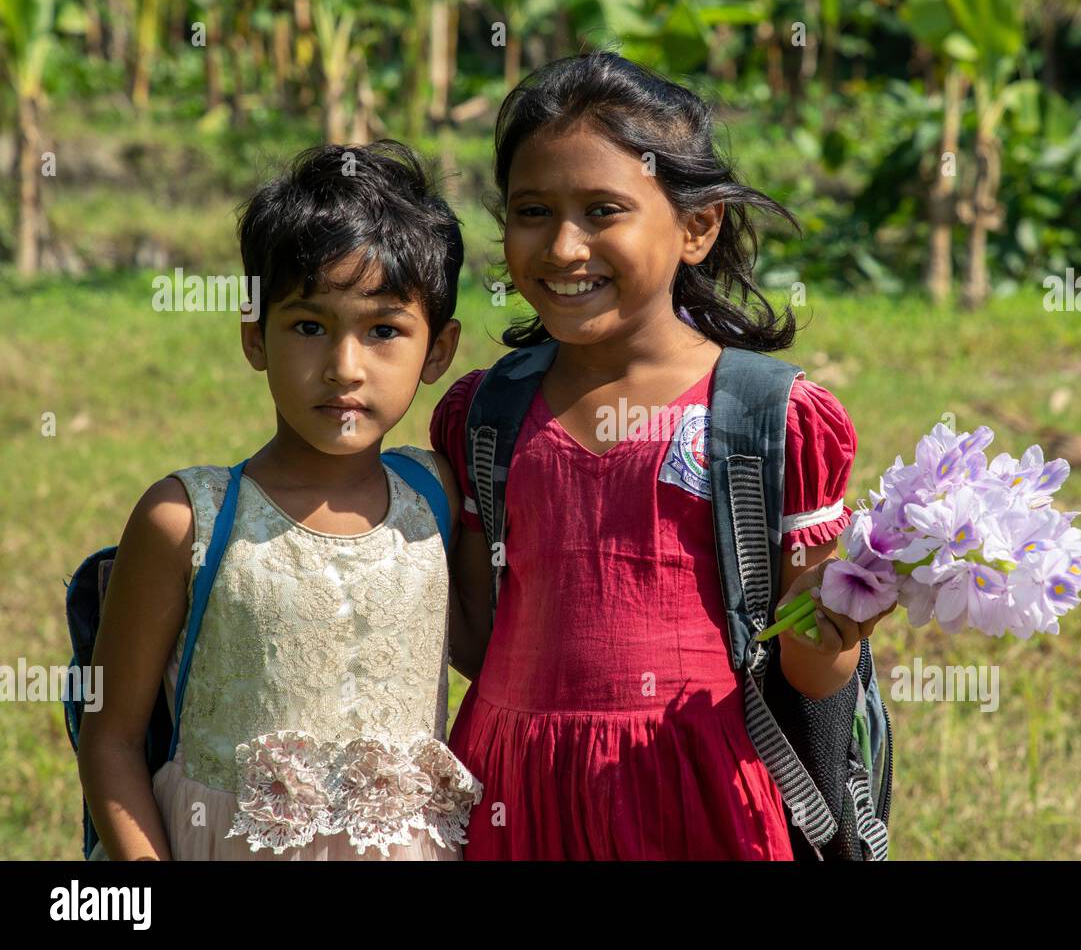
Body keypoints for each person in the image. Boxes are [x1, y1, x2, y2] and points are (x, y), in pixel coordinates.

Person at [431, 52, 892, 860]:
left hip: (701, 791)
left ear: (697, 228)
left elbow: (814, 676)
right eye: (533, 211)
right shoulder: (485, 417)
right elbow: (477, 636)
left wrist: (832, 634)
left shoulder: (770, 420)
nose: (563, 247)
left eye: (603, 211)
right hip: (514, 791)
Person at [78, 140, 481, 860]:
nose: (344, 367)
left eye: (384, 330)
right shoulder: (189, 519)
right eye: (308, 326)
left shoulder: (437, 498)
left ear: (439, 351)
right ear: (254, 337)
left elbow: (496, 661)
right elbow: (109, 739)